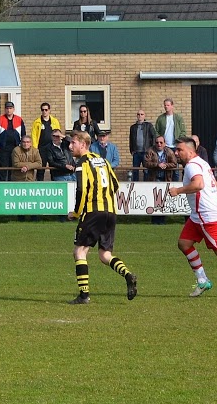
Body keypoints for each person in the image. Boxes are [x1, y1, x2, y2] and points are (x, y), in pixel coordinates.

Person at [167, 135, 217, 298]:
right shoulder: (202, 163)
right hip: (198, 216)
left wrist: (177, 191)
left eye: (179, 150)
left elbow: (199, 184)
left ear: (190, 151)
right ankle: (202, 280)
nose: (176, 153)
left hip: (207, 216)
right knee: (184, 243)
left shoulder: (192, 166)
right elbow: (215, 185)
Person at [66, 130, 137, 304]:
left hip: (93, 211)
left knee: (79, 251)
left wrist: (76, 213)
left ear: (83, 144)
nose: (70, 146)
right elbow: (115, 184)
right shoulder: (104, 161)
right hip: (110, 212)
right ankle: (128, 275)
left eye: (73, 143)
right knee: (105, 254)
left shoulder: (82, 163)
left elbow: (81, 189)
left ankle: (84, 295)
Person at [0, 101, 24, 181]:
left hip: (16, 148)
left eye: (10, 108)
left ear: (13, 109)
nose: (9, 110)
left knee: (13, 168)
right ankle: (2, 186)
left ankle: (11, 186)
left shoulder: (19, 119)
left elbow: (23, 134)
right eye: (7, 108)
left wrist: (22, 147)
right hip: (3, 148)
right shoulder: (0, 120)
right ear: (5, 109)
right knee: (3, 169)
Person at [128, 110, 155, 183]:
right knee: (135, 170)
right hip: (136, 152)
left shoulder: (149, 125)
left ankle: (146, 185)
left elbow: (153, 137)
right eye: (138, 114)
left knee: (146, 170)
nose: (140, 116)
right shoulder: (133, 127)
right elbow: (131, 139)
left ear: (144, 116)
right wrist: (132, 150)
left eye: (142, 114)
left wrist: (151, 150)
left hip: (146, 152)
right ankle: (135, 185)